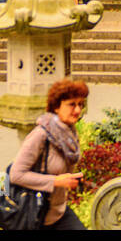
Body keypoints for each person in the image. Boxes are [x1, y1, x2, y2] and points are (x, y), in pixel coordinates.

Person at [9, 78, 89, 230]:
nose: (78, 110)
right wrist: (56, 181)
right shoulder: (41, 135)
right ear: (56, 107)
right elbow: (16, 174)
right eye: (72, 104)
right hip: (36, 215)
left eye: (80, 104)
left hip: (58, 212)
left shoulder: (69, 133)